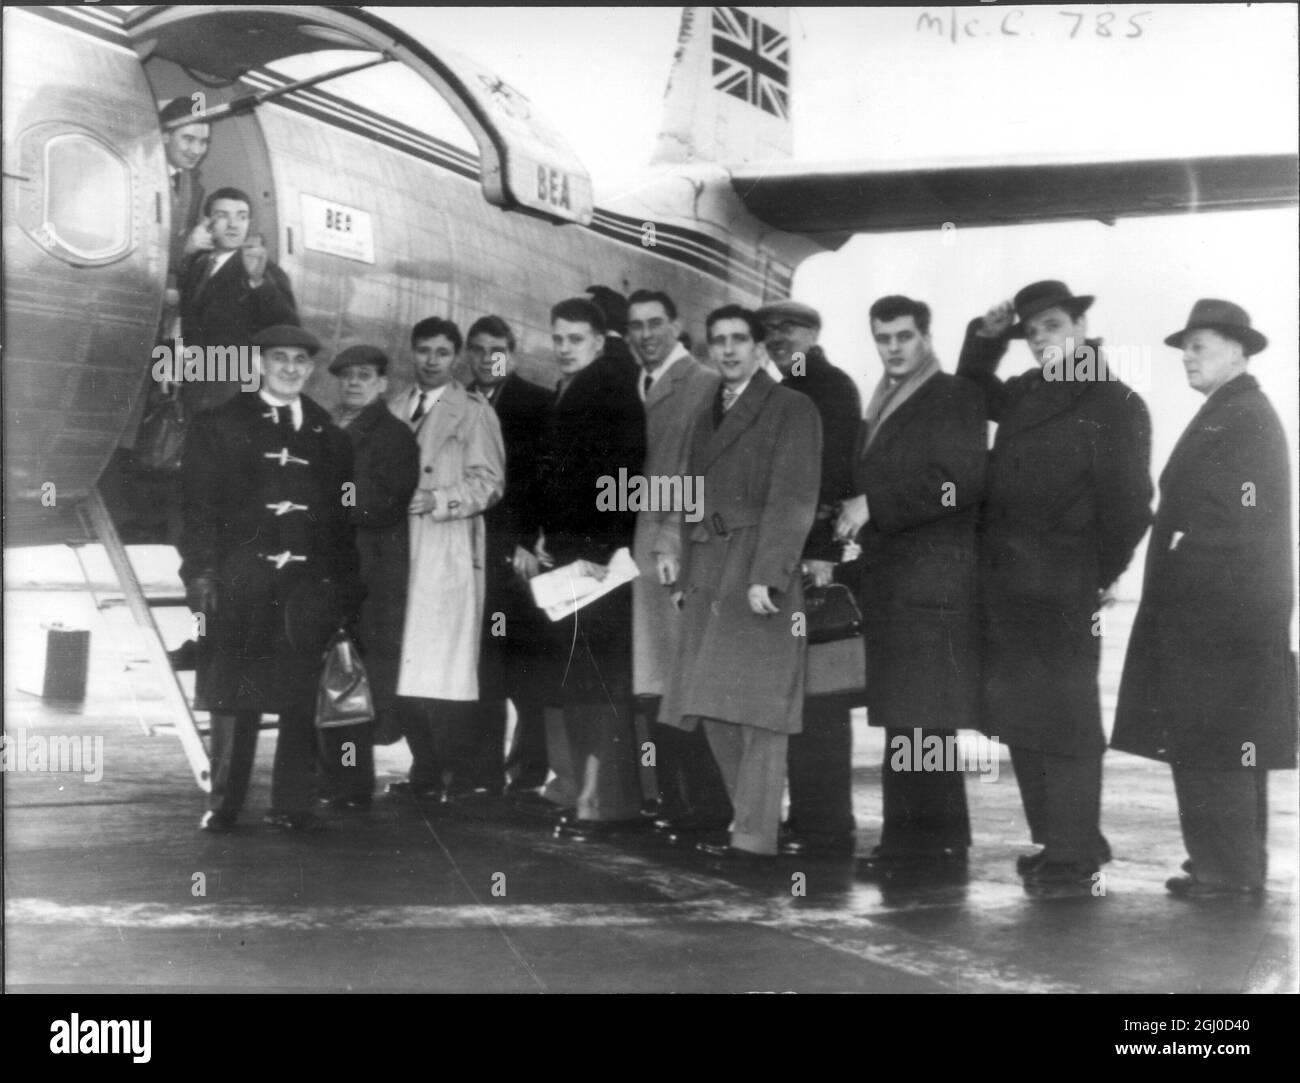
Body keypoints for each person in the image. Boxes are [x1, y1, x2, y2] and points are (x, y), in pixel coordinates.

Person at [956, 280, 1152, 896]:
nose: (1041, 340)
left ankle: (1073, 858)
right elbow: (968, 393)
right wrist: (981, 340)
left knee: (1066, 719)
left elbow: (1131, 503)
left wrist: (1097, 573)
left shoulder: (1116, 399)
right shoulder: (1023, 392)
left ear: (1081, 327)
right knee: (1020, 717)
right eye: (1032, 331)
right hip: (1007, 583)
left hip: (1063, 583)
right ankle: (1062, 841)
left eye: (1052, 325)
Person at [1112, 300, 1295, 899]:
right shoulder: (1236, 409)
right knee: (1227, 744)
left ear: (1239, 350)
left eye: (1200, 346)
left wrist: (1192, 551)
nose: (1187, 358)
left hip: (1214, 614)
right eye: (1185, 347)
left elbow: (1245, 512)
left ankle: (1228, 871)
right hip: (1227, 613)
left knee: (1213, 742)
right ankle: (1230, 864)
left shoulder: (1241, 415)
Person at [179, 325, 362, 832]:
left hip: (307, 591)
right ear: (259, 363)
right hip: (239, 584)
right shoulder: (216, 425)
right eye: (279, 358)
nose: (289, 368)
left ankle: (292, 803)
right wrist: (200, 573)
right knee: (233, 696)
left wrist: (344, 590)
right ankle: (225, 804)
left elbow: (342, 519)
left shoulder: (331, 437)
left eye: (299, 360)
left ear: (309, 369)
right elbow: (195, 510)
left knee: (300, 696)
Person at [660, 304, 822, 860]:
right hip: (707, 570)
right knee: (710, 706)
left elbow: (794, 497)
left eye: (738, 340)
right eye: (718, 341)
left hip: (754, 570)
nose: (727, 350)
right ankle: (747, 826)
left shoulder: (791, 408)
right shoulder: (705, 408)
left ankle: (755, 839)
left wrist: (769, 577)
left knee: (758, 712)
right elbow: (685, 492)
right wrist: (681, 568)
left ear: (759, 348)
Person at [836, 296, 987, 878]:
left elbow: (959, 482)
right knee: (911, 719)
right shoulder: (885, 400)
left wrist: (876, 503)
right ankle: (927, 842)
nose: (893, 348)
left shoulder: (953, 395)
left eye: (904, 336)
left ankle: (926, 847)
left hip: (932, 587)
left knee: (924, 720)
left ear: (926, 336)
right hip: (898, 584)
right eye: (883, 338)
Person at [520, 298, 647, 839]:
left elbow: (623, 476)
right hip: (572, 556)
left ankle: (606, 805)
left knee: (598, 683)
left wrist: (598, 551)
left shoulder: (612, 394)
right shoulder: (569, 391)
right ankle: (590, 799)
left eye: (575, 339)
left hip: (596, 563)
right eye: (558, 338)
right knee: (581, 680)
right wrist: (542, 536)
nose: (564, 348)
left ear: (599, 341)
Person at [755, 299, 863, 857]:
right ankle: (811, 816)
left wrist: (823, 552)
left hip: (811, 560)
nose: (777, 338)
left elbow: (839, 470)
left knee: (818, 697)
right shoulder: (787, 386)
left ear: (814, 333)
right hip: (785, 556)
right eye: (769, 331)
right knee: (795, 694)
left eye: (788, 329)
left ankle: (825, 822)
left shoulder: (830, 386)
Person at [625, 289, 731, 843]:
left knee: (684, 682)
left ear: (675, 326)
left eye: (654, 324)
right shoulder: (635, 384)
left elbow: (703, 475)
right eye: (635, 326)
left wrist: (671, 536)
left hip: (674, 552)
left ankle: (706, 808)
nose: (645, 335)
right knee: (657, 687)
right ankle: (673, 801)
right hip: (641, 551)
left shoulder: (704, 385)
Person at [385, 317, 505, 802]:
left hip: (445, 551)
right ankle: (424, 770)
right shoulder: (393, 407)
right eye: (423, 351)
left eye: (441, 352)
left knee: (444, 670)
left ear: (455, 357)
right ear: (411, 353)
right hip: (399, 554)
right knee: (407, 666)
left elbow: (490, 482)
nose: (431, 361)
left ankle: (458, 773)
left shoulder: (474, 413)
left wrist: (439, 499)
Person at [316, 345, 419, 810]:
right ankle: (331, 775)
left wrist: (324, 496)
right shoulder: (330, 427)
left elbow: (382, 501)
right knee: (329, 678)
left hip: (368, 579)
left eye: (364, 376)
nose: (353, 383)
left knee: (354, 681)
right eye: (346, 376)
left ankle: (352, 785)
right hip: (332, 572)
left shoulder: (394, 436)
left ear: (383, 384)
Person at [463, 315, 554, 796]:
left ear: (512, 353)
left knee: (526, 673)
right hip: (473, 558)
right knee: (483, 671)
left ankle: (528, 772)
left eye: (494, 349)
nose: (484, 358)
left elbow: (545, 479)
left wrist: (528, 540)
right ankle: (482, 772)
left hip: (518, 561)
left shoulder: (538, 403)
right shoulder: (459, 402)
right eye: (475, 349)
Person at [178, 187, 299, 416]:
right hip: (197, 390)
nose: (234, 225)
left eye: (242, 217)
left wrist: (258, 284)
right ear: (207, 222)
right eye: (222, 216)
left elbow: (289, 330)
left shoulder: (265, 271)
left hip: (236, 397)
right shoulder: (199, 265)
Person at [159, 96, 210, 321]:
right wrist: (186, 247)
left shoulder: (194, 186)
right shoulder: (143, 172)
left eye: (203, 141)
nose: (196, 150)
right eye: (188, 139)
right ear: (165, 135)